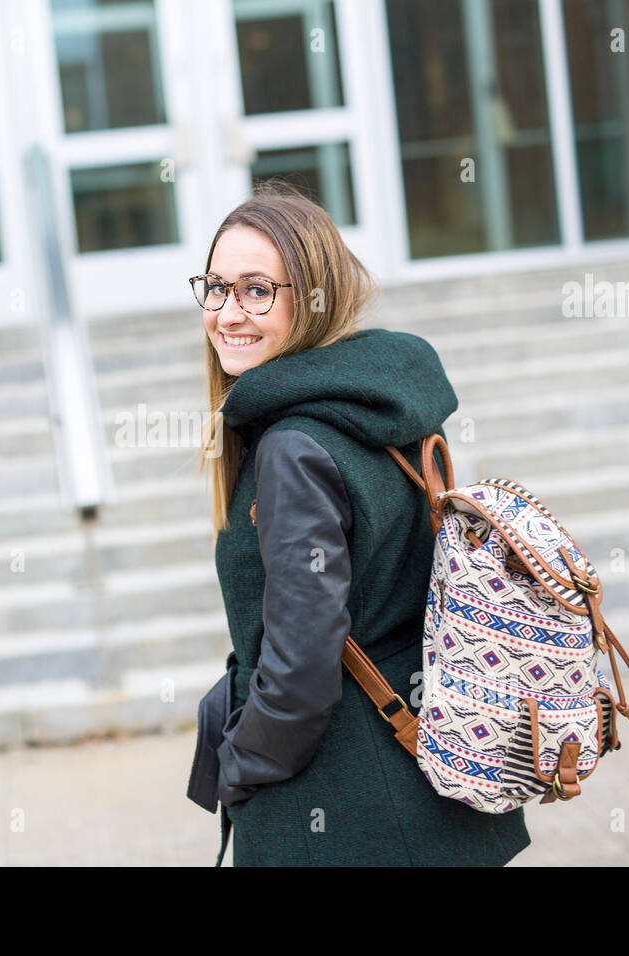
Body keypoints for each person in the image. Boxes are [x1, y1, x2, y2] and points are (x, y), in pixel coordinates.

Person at [184, 181, 532, 866]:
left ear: (312, 298)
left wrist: (239, 769)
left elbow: (301, 673)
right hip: (424, 786)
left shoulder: (293, 446)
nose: (228, 312)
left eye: (258, 290)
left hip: (345, 811)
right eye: (216, 287)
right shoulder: (374, 403)